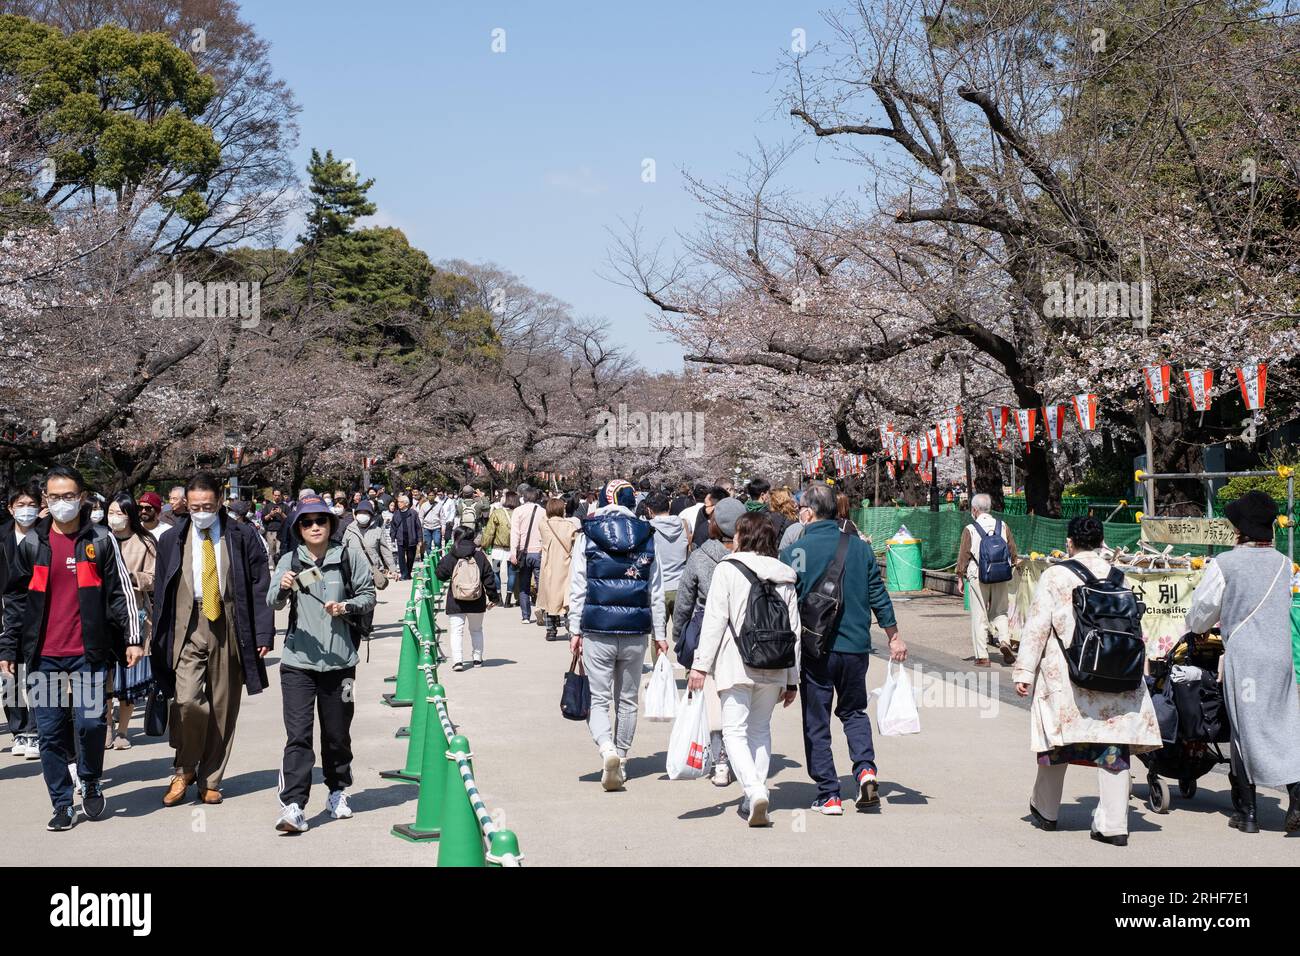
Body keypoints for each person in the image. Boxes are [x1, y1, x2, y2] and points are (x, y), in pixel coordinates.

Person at [0, 466, 139, 830]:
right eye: (54, 497)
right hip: (44, 656)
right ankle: (61, 802)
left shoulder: (100, 540)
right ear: (46, 499)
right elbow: (15, 601)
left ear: (81, 497)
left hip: (88, 655)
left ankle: (90, 778)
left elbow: (119, 594)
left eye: (69, 496)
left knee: (91, 723)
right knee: (49, 731)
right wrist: (8, 648)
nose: (62, 503)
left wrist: (132, 639)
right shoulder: (33, 544)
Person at [1012, 516, 1160, 846]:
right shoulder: (1119, 576)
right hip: (1118, 677)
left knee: (1058, 744)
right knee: (1113, 749)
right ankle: (1114, 824)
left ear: (1070, 542)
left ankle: (1047, 811)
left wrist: (1024, 672)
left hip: (1069, 679)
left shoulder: (1055, 575)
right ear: (1101, 541)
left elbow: (1037, 627)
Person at [781, 481, 907, 815]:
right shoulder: (860, 547)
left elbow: (782, 601)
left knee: (817, 718)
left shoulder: (796, 551)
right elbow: (878, 595)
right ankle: (865, 769)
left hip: (814, 649)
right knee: (853, 711)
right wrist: (893, 635)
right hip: (854, 646)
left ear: (807, 512)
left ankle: (829, 793)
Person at [151, 472, 274, 808]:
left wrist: (263, 632)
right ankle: (185, 767)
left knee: (223, 706)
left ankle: (210, 779)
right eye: (194, 506)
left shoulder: (242, 534)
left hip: (229, 626)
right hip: (186, 626)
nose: (201, 510)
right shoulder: (172, 537)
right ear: (185, 505)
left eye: (207, 505)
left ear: (219, 501)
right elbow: (162, 590)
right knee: (186, 701)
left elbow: (260, 584)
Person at [1185, 491, 1300, 834]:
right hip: (1280, 658)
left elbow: (1202, 614)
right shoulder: (1283, 562)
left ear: (1240, 530)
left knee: (1245, 730)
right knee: (1285, 725)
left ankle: (1248, 811)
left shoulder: (1226, 563)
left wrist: (1195, 628)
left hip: (1246, 657)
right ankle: (1296, 799)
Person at [267, 494, 375, 833]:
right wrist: (283, 586)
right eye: (307, 522)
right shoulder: (290, 561)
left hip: (340, 662)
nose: (315, 527)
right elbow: (273, 602)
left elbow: (368, 595)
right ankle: (294, 805)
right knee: (298, 736)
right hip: (298, 662)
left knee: (337, 734)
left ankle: (337, 791)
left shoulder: (348, 557)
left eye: (321, 521)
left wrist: (345, 607)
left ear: (331, 524)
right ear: (298, 528)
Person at [688, 512, 800, 825]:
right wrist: (793, 680)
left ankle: (754, 790)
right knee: (760, 729)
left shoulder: (728, 569)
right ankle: (756, 791)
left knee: (734, 730)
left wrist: (700, 666)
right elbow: (795, 630)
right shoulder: (786, 574)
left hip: (735, 663)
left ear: (744, 536)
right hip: (776, 663)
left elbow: (714, 621)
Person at [568, 479, 668, 791]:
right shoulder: (647, 534)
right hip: (636, 630)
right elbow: (656, 590)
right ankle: (622, 758)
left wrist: (574, 628)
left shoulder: (588, 534)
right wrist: (660, 634)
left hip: (598, 628)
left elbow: (578, 587)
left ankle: (606, 749)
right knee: (627, 700)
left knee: (598, 700)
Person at [674, 496, 745, 786]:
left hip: (708, 632)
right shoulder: (753, 556)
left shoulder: (701, 556)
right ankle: (739, 758)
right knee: (740, 698)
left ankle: (720, 762)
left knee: (715, 698)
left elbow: (684, 601)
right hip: (743, 632)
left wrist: (679, 634)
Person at [105, 493, 158, 750]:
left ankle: (123, 730)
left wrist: (131, 578)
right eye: (111, 512)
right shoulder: (99, 539)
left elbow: (155, 577)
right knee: (103, 676)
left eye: (120, 513)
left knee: (129, 675)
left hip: (135, 614)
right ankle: (106, 725)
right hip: (103, 617)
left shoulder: (145, 542)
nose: (115, 518)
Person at [956, 493, 1019, 667]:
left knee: (979, 614)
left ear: (974, 510)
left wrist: (960, 576)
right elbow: (1013, 551)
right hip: (1001, 573)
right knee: (1000, 611)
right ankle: (1004, 641)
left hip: (978, 574)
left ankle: (982, 656)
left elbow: (964, 555)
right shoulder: (1002, 525)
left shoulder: (970, 528)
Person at [2, 485, 42, 759]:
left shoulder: (47, 535)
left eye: (31, 503)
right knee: (9, 674)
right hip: (6, 612)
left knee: (38, 674)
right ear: (10, 508)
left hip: (40, 612)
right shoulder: (3, 537)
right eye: (21, 504)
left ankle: (38, 730)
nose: (26, 509)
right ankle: (19, 731)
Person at [435, 526, 500, 671]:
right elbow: (489, 578)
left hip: (456, 600)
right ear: (472, 538)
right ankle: (477, 658)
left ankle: (458, 661)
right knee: (476, 630)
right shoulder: (480, 556)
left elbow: (440, 574)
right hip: (477, 600)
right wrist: (494, 598)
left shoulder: (452, 555)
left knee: (456, 631)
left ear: (456, 538)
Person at [644, 493, 687, 651]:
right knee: (686, 634)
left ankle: (659, 672)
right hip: (681, 586)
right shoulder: (684, 525)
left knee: (658, 636)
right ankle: (691, 672)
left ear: (649, 510)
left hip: (657, 587)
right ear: (668, 506)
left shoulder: (648, 528)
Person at [537, 497, 578, 641]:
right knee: (566, 598)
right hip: (566, 566)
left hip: (549, 566)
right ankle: (570, 625)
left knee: (550, 599)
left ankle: (551, 630)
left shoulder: (544, 524)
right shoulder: (570, 526)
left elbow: (543, 518)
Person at [510, 487, 546, 624]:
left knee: (524, 584)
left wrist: (513, 552)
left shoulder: (518, 511)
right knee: (541, 584)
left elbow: (515, 533)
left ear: (524, 497)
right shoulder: (543, 511)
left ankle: (525, 616)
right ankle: (542, 609)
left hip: (523, 552)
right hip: (539, 551)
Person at [483, 491, 517, 608]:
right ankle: (508, 599)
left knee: (495, 572)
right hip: (513, 549)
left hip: (498, 549)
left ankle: (499, 598)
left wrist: (484, 545)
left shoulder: (497, 513)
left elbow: (489, 532)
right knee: (511, 574)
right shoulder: (518, 513)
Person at [390, 494, 420, 580]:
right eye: (398, 502)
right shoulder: (396, 514)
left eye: (401, 502)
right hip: (400, 539)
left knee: (411, 557)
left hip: (411, 538)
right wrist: (393, 538)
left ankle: (408, 573)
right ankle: (404, 574)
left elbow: (418, 527)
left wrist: (420, 539)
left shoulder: (413, 513)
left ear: (406, 503)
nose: (399, 504)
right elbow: (393, 526)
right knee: (401, 558)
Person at [418, 490, 442, 554]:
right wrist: (420, 526)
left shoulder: (439, 505)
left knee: (437, 541)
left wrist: (443, 527)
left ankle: (439, 555)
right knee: (427, 544)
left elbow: (442, 517)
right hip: (426, 527)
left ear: (435, 496)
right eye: (429, 495)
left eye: (432, 495)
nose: (431, 497)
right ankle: (430, 557)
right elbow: (421, 517)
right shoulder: (424, 505)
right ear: (427, 496)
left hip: (436, 527)